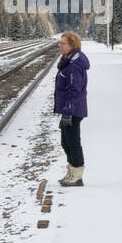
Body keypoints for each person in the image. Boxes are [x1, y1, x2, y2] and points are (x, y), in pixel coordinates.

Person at [54, 30, 89, 187]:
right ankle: (72, 171)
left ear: (72, 45)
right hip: (69, 109)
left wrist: (68, 111)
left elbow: (75, 90)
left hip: (73, 109)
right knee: (66, 142)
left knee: (73, 142)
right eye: (60, 42)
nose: (60, 45)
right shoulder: (69, 61)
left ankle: (77, 176)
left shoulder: (74, 66)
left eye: (63, 43)